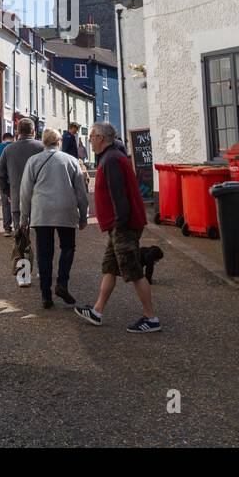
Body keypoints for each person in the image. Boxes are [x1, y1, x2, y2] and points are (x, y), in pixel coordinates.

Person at [75, 121, 159, 333]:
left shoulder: (111, 160)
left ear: (101, 138)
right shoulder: (113, 156)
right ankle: (97, 311)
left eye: (92, 137)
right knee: (109, 267)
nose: (90, 142)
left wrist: (119, 225)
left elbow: (118, 195)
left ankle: (151, 318)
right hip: (121, 225)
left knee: (134, 271)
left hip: (123, 225)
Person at [19, 128, 88, 309]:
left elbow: (25, 192)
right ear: (59, 142)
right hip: (66, 209)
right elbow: (81, 192)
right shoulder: (71, 161)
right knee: (68, 247)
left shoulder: (33, 161)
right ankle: (62, 283)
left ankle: (46, 295)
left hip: (42, 211)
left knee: (44, 253)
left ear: (43, 142)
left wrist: (23, 217)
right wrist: (83, 215)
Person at [0, 118, 44, 235]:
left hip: (17, 197)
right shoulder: (42, 148)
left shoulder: (8, 149)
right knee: (41, 238)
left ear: (17, 132)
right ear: (33, 132)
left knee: (20, 237)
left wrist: (7, 191)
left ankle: (22, 252)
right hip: (39, 197)